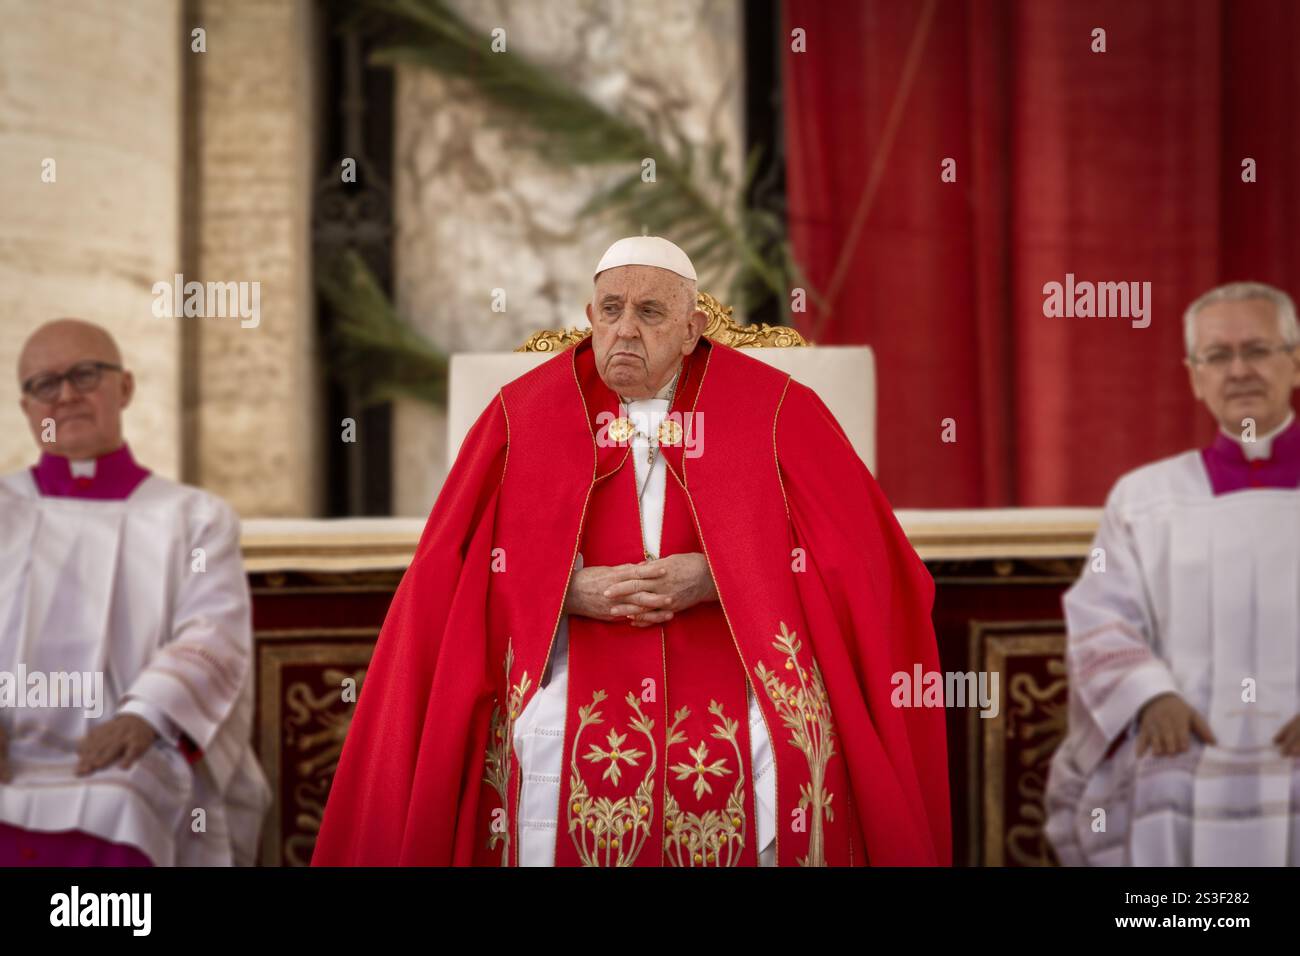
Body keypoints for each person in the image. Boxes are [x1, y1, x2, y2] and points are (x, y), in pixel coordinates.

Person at [314, 237, 950, 867]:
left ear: (693, 328)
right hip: (566, 656)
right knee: (537, 737)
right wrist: (564, 590)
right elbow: (450, 573)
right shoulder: (522, 415)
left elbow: (870, 564)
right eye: (610, 309)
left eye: (650, 313)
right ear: (589, 317)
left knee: (773, 743)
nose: (624, 330)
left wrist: (723, 576)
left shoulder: (779, 409)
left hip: (734, 656)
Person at [1045, 281, 1300, 865]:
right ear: (1194, 378)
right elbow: (1101, 613)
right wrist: (1150, 695)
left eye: (1258, 349)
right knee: (1161, 784)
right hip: (1184, 737)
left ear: (1295, 363)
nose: (1239, 370)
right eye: (1217, 355)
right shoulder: (1144, 498)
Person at [0, 319, 270, 866]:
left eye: (85, 374)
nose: (67, 395)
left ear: (124, 387)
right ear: (27, 408)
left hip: (130, 748)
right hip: (8, 747)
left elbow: (211, 632)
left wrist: (147, 715)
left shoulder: (194, 517)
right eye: (44, 384)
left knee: (119, 802)